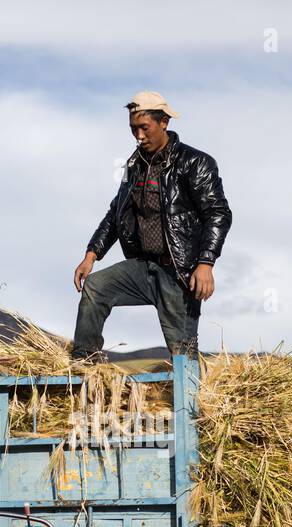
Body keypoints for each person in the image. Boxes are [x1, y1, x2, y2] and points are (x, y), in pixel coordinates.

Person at [71, 91, 232, 361]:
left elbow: (218, 213)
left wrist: (206, 263)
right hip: (142, 267)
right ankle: (84, 365)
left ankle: (194, 398)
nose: (139, 136)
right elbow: (115, 215)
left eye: (144, 128)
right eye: (133, 129)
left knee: (183, 355)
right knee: (96, 286)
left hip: (180, 273)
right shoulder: (134, 166)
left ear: (164, 123)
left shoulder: (195, 163)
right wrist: (91, 255)